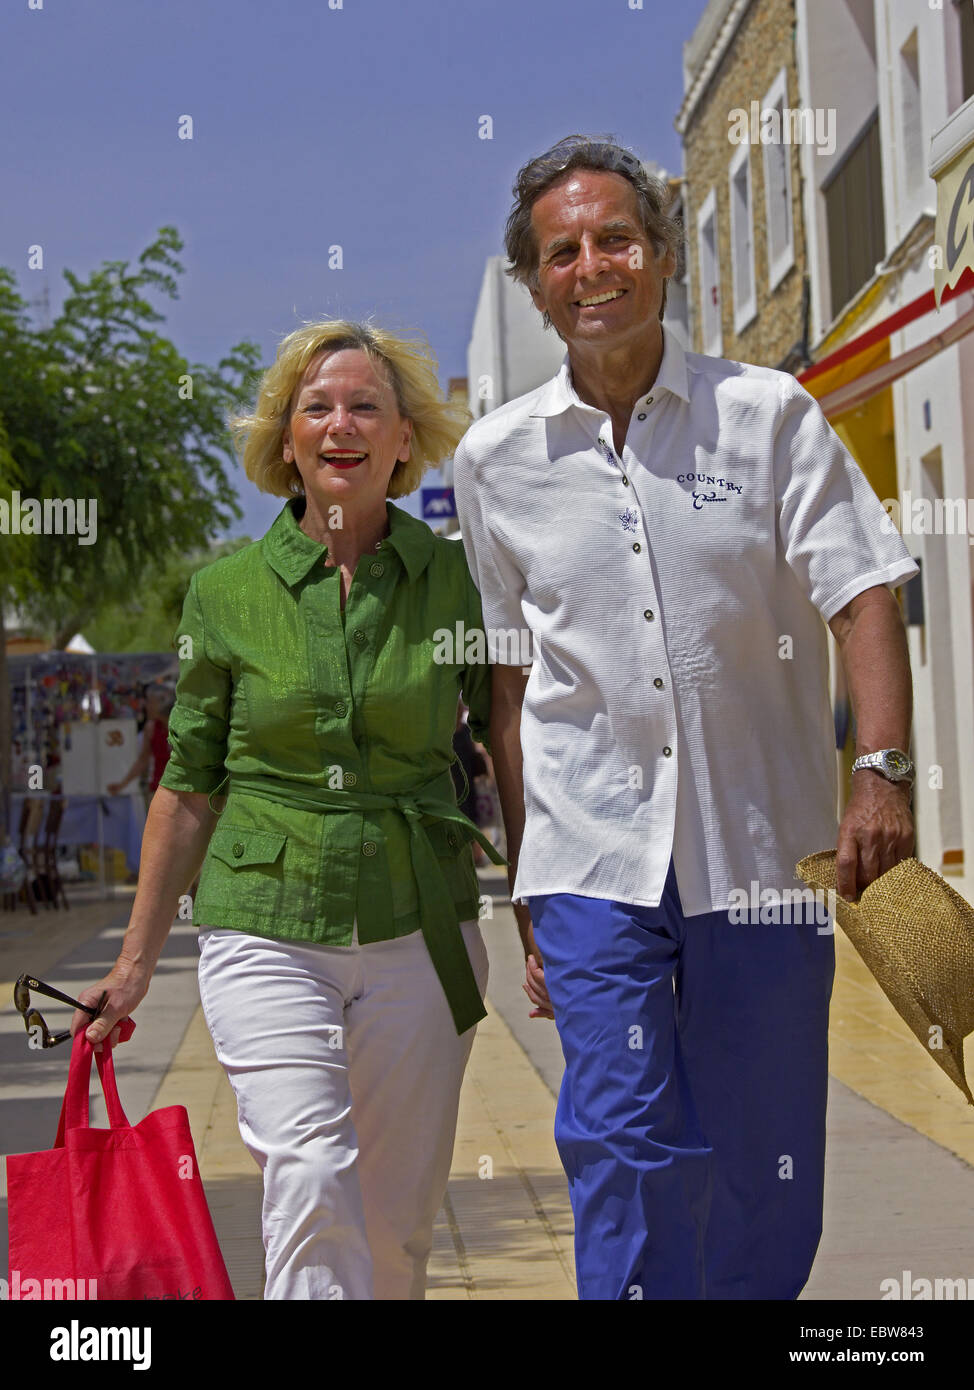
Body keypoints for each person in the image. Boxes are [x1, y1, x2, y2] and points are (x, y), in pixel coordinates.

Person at [452, 135, 919, 1301]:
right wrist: (525, 883)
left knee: (761, 1155)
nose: (591, 265)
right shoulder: (494, 460)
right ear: (534, 283)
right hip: (589, 855)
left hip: (758, 847)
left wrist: (883, 772)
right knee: (621, 1135)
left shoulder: (765, 416)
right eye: (562, 251)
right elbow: (511, 691)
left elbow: (861, 589)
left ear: (661, 256)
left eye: (615, 238)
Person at [72, 319, 504, 1300]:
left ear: (404, 439)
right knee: (308, 1174)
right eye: (316, 406)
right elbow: (189, 782)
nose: (339, 423)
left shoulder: (455, 581)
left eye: (365, 406)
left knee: (395, 1227)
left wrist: (543, 900)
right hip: (264, 922)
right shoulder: (224, 593)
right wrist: (135, 962)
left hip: (421, 921)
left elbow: (509, 736)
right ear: (286, 439)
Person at [106, 684, 174, 803]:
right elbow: (143, 760)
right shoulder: (151, 728)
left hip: (180, 791)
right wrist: (122, 784)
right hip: (159, 790)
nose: (145, 706)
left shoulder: (178, 727)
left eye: (149, 702)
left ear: (162, 702)